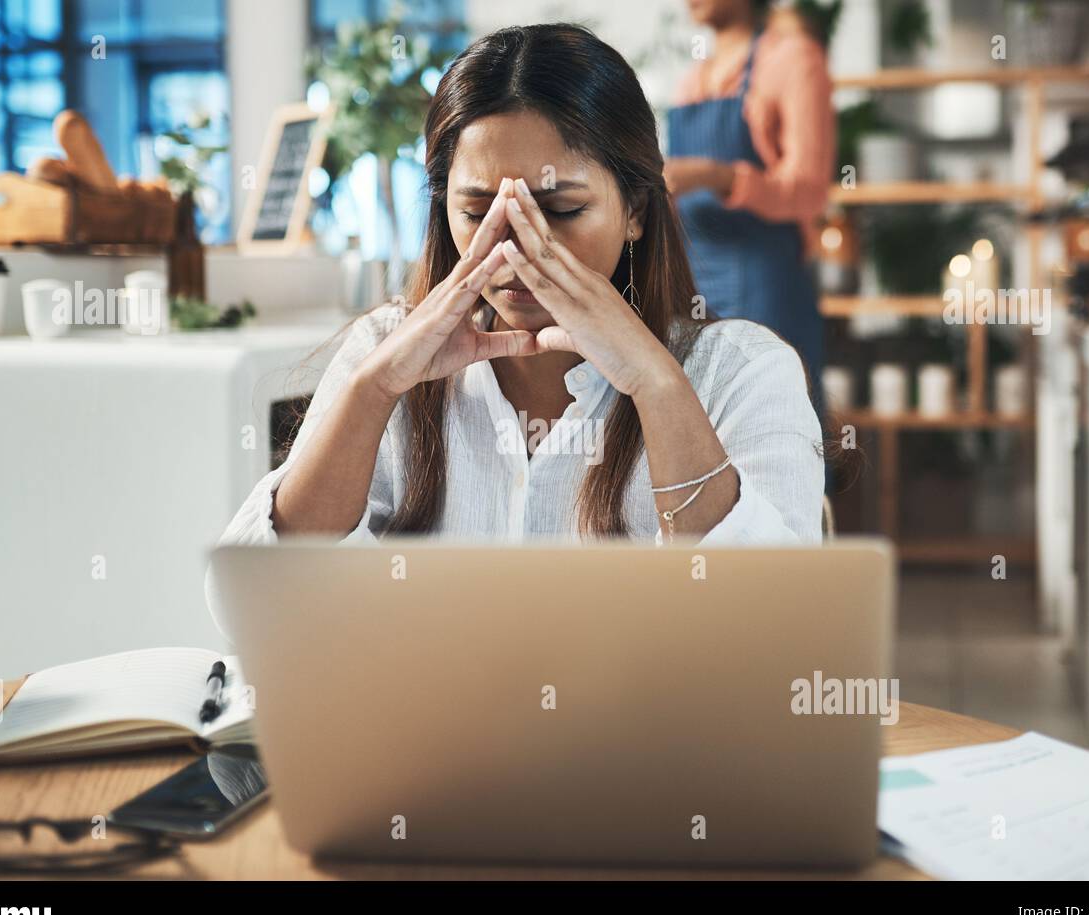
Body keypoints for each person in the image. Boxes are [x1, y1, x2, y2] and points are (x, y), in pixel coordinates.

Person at [212, 23, 822, 557]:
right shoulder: (384, 351)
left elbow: (780, 623)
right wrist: (373, 390)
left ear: (635, 209)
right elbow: (257, 598)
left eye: (558, 210)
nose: (517, 250)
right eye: (479, 213)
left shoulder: (744, 371)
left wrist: (655, 382)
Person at [665, 0, 835, 416]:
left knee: (775, 417)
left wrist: (716, 176)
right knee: (702, 423)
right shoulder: (692, 79)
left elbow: (810, 190)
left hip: (766, 286)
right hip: (693, 283)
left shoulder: (794, 59)